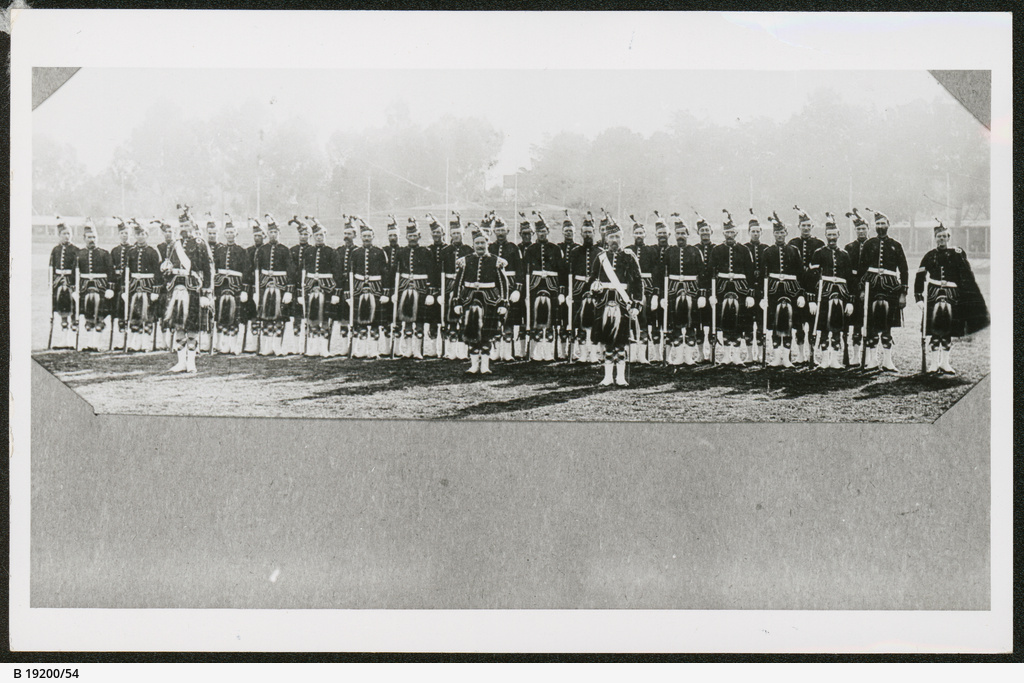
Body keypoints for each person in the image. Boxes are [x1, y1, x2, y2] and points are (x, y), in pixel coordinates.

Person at [914, 219, 989, 374]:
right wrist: (918, 298)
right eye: (938, 236)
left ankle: (945, 363)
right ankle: (934, 363)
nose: (941, 239)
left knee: (948, 329)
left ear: (948, 238)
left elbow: (966, 276)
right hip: (934, 294)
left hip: (953, 294)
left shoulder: (957, 253)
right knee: (935, 329)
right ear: (935, 238)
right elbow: (919, 277)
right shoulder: (929, 256)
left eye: (944, 236)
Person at [586, 219, 643, 386]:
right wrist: (594, 286)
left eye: (618, 237)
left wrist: (637, 304)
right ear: (606, 239)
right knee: (607, 340)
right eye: (611, 237)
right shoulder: (600, 257)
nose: (614, 240)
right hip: (605, 301)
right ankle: (607, 376)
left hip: (623, 302)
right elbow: (591, 279)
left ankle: (620, 376)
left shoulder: (630, 257)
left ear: (622, 238)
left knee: (621, 340)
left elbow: (638, 282)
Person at [451, 225, 512, 374]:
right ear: (473, 244)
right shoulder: (465, 261)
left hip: (490, 300)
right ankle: (473, 365)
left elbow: (503, 283)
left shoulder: (496, 261)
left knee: (487, 333)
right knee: (471, 332)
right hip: (469, 300)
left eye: (482, 243)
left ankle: (485, 366)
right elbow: (458, 283)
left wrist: (504, 303)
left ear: (487, 243)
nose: (480, 246)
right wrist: (457, 302)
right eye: (477, 243)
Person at [160, 205, 211, 373]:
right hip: (177, 288)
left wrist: (206, 293)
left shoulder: (200, 244)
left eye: (186, 225)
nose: (183, 228)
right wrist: (166, 269)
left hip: (193, 289)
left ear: (192, 225)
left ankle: (191, 362)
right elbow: (168, 269)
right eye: (181, 226)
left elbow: (208, 270)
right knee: (178, 325)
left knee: (192, 326)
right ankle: (181, 361)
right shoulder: (174, 245)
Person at [857, 207, 909, 372]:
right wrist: (862, 290)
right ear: (875, 225)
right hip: (871, 286)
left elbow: (904, 270)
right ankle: (872, 360)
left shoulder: (896, 245)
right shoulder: (868, 244)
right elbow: (861, 269)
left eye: (883, 223)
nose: (880, 226)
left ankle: (887, 361)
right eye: (877, 223)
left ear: (888, 224)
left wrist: (903, 294)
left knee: (887, 325)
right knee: (871, 325)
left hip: (891, 287)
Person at [807, 214, 855, 369]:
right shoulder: (818, 253)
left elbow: (850, 279)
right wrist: (812, 300)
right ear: (825, 236)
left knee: (837, 327)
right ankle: (824, 360)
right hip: (823, 294)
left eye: (835, 234)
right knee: (822, 327)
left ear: (839, 235)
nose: (832, 238)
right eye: (829, 235)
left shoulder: (845, 254)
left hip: (841, 294)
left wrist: (850, 301)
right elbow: (812, 278)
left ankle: (834, 360)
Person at [708, 211, 756, 365]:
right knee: (724, 323)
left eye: (732, 232)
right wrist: (712, 294)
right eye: (727, 232)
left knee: (739, 323)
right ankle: (726, 356)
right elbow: (711, 273)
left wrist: (750, 294)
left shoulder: (744, 250)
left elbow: (750, 274)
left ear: (736, 233)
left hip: (740, 289)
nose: (730, 235)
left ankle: (736, 356)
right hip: (722, 289)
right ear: (724, 233)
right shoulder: (717, 250)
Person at [662, 213, 709, 366]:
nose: (681, 236)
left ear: (688, 235)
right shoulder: (669, 252)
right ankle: (677, 357)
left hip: (692, 290)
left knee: (691, 325)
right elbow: (663, 275)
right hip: (673, 291)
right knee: (674, 325)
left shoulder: (695, 252)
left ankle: (688, 357)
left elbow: (702, 274)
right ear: (674, 235)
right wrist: (662, 295)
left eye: (683, 233)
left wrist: (702, 294)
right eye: (678, 233)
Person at [762, 213, 806, 367]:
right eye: (777, 233)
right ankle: (775, 358)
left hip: (791, 291)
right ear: (773, 234)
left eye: (782, 233)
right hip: (774, 291)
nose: (779, 235)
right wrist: (763, 296)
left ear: (786, 233)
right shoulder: (767, 252)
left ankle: (787, 358)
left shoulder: (794, 250)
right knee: (775, 324)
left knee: (789, 324)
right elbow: (763, 275)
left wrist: (801, 294)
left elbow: (800, 274)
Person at [522, 212, 565, 361]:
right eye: (539, 231)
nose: (541, 234)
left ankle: (548, 352)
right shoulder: (530, 250)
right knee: (535, 318)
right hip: (534, 285)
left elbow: (562, 272)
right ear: (536, 233)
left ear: (548, 231)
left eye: (544, 231)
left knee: (552, 319)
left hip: (552, 286)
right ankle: (535, 352)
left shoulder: (555, 249)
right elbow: (525, 271)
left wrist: (561, 291)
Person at [392, 217, 436, 358]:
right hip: (404, 288)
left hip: (421, 288)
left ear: (419, 236)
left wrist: (431, 292)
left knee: (419, 321)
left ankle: (417, 351)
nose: (412, 238)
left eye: (414, 236)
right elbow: (395, 272)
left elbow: (432, 273)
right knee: (406, 320)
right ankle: (408, 350)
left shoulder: (426, 252)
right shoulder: (401, 252)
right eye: (410, 236)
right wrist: (394, 292)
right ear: (406, 237)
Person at [252, 213, 294, 356]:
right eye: (270, 232)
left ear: (279, 233)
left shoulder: (285, 250)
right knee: (266, 317)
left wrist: (289, 290)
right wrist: (256, 291)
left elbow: (290, 271)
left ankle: (278, 346)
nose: (273, 235)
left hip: (280, 286)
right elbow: (256, 272)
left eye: (275, 232)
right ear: (267, 233)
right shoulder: (262, 250)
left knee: (279, 317)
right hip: (265, 285)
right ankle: (267, 346)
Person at [788, 205, 825, 363]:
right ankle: (800, 355)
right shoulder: (792, 243)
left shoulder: (819, 244)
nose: (806, 229)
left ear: (812, 227)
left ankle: (812, 355)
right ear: (799, 227)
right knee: (798, 324)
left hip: (814, 288)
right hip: (796, 288)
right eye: (803, 226)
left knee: (813, 323)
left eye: (808, 226)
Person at [298, 218, 339, 357]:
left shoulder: (332, 252)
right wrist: (301, 292)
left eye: (321, 235)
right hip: (311, 288)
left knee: (325, 319)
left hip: (327, 288)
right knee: (312, 319)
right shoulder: (308, 251)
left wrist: (336, 294)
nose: (319, 238)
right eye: (316, 236)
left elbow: (337, 273)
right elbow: (303, 272)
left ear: (325, 235)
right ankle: (313, 348)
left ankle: (324, 348)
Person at [624, 215, 662, 363]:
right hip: (631, 287)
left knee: (644, 319)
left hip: (647, 286)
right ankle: (632, 355)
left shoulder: (652, 251)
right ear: (633, 234)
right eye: (636, 233)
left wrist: (655, 294)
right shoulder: (627, 250)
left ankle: (643, 355)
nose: (639, 236)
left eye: (641, 233)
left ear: (645, 234)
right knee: (631, 319)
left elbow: (657, 273)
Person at [566, 213, 603, 363]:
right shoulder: (575, 252)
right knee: (579, 322)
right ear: (581, 233)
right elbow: (569, 273)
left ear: (594, 233)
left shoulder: (600, 252)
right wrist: (568, 293)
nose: (587, 235)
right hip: (578, 289)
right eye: (585, 232)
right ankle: (582, 354)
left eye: (590, 232)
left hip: (595, 289)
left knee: (596, 321)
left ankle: (594, 354)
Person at [349, 220, 389, 358]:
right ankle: (361, 350)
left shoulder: (379, 252)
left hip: (376, 288)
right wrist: (349, 293)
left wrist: (386, 292)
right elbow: (351, 273)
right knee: (360, 321)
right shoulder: (355, 252)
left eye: (369, 236)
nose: (366, 238)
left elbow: (385, 273)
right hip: (359, 288)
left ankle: (373, 351)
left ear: (373, 236)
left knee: (375, 322)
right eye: (364, 236)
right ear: (361, 237)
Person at [212, 214, 252, 355]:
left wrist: (245, 290)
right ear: (224, 234)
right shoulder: (219, 250)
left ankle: (234, 344)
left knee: (234, 316)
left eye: (232, 232)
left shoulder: (242, 251)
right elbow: (214, 269)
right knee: (221, 314)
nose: (230, 235)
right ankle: (223, 344)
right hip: (221, 285)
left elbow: (247, 271)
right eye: (227, 232)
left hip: (236, 285)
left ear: (236, 233)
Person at [75, 219, 115, 351]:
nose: (92, 240)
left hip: (101, 287)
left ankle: (96, 343)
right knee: (87, 315)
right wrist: (75, 289)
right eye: (89, 237)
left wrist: (110, 288)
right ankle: (88, 343)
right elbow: (74, 273)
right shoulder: (79, 254)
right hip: (84, 287)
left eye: (94, 237)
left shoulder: (104, 253)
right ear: (84, 238)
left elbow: (111, 272)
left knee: (100, 316)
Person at [124, 220, 164, 352]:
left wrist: (156, 290)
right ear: (135, 236)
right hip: (134, 286)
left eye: (143, 234)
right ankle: (134, 343)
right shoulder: (130, 251)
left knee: (148, 315)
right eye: (138, 234)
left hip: (148, 286)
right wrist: (125, 289)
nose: (140, 236)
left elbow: (158, 272)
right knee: (135, 315)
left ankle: (146, 343)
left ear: (147, 235)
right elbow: (126, 272)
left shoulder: (152, 252)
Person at [490, 214, 523, 360]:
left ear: (508, 231)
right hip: (493, 286)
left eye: (503, 230)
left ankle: (508, 353)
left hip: (509, 286)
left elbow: (520, 270)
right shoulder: (490, 248)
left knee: (509, 321)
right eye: (498, 230)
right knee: (494, 320)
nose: (500, 233)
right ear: (494, 232)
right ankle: (495, 352)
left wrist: (517, 289)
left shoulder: (514, 248)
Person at [441, 218, 473, 360]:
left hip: (465, 287)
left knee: (464, 319)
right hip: (449, 286)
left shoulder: (469, 250)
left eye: (459, 233)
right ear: (450, 235)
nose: (456, 236)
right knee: (450, 320)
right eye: (453, 233)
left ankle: (463, 351)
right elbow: (439, 272)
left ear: (463, 233)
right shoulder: (445, 251)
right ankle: (450, 351)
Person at [47, 218, 79, 349]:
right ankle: (63, 339)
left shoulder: (76, 250)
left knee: (73, 311)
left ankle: (71, 339)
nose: (67, 236)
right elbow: (51, 267)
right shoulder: (55, 250)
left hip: (71, 283)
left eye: (68, 233)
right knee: (61, 310)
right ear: (59, 235)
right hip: (58, 283)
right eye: (64, 234)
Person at [843, 208, 871, 361]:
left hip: (869, 286)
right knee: (850, 322)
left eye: (863, 229)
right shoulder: (849, 247)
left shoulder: (873, 245)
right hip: (852, 286)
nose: (861, 231)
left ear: (868, 229)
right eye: (858, 229)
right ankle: (853, 355)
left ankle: (866, 357)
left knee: (865, 322)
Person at [423, 213, 450, 357]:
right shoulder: (427, 250)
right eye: (434, 233)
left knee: (446, 319)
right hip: (432, 290)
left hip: (446, 289)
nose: (436, 235)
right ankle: (433, 350)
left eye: (438, 232)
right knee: (433, 320)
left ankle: (446, 350)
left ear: (443, 233)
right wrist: (429, 291)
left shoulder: (449, 249)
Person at [286, 215, 314, 354]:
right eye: (301, 234)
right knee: (297, 318)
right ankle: (297, 345)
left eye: (306, 234)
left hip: (309, 288)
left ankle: (309, 345)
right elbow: (290, 271)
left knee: (310, 316)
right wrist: (290, 290)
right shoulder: (293, 250)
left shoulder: (313, 250)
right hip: (296, 288)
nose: (303, 237)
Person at [332, 216, 359, 355]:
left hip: (354, 289)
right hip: (340, 289)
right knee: (342, 318)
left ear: (355, 235)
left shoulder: (358, 251)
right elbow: (335, 270)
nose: (347, 236)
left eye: (349, 234)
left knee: (354, 317)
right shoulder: (338, 251)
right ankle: (343, 347)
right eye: (345, 234)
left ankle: (354, 347)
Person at [745, 209, 769, 360]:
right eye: (752, 231)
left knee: (761, 324)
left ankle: (760, 354)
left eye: (757, 231)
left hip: (761, 292)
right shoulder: (743, 248)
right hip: (747, 291)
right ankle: (748, 355)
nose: (755, 234)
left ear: (761, 232)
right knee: (747, 324)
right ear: (749, 232)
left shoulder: (766, 249)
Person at [693, 212, 716, 361]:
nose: (705, 233)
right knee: (699, 324)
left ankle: (713, 353)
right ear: (698, 232)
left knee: (713, 323)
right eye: (702, 231)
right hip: (697, 290)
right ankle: (701, 354)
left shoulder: (717, 248)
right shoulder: (694, 249)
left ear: (711, 232)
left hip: (713, 290)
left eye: (707, 230)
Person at [242, 218, 266, 352]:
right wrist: (245, 289)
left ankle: (263, 343)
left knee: (264, 313)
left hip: (264, 288)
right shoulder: (249, 251)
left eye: (259, 235)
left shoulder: (267, 250)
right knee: (251, 314)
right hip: (251, 288)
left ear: (264, 236)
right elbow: (246, 271)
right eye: (255, 236)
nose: (257, 238)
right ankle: (251, 342)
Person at [109, 217, 134, 349]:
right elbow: (111, 269)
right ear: (119, 235)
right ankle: (119, 341)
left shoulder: (134, 249)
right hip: (118, 284)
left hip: (130, 284)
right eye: (122, 233)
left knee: (129, 310)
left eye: (126, 233)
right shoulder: (114, 251)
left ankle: (129, 341)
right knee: (117, 311)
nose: (124, 236)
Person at [380, 216, 402, 356]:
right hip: (384, 290)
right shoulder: (383, 251)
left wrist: (397, 292)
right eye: (390, 235)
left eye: (395, 235)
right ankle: (387, 348)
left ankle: (397, 348)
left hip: (398, 290)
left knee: (398, 319)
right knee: (386, 319)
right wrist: (384, 292)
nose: (392, 238)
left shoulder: (403, 251)